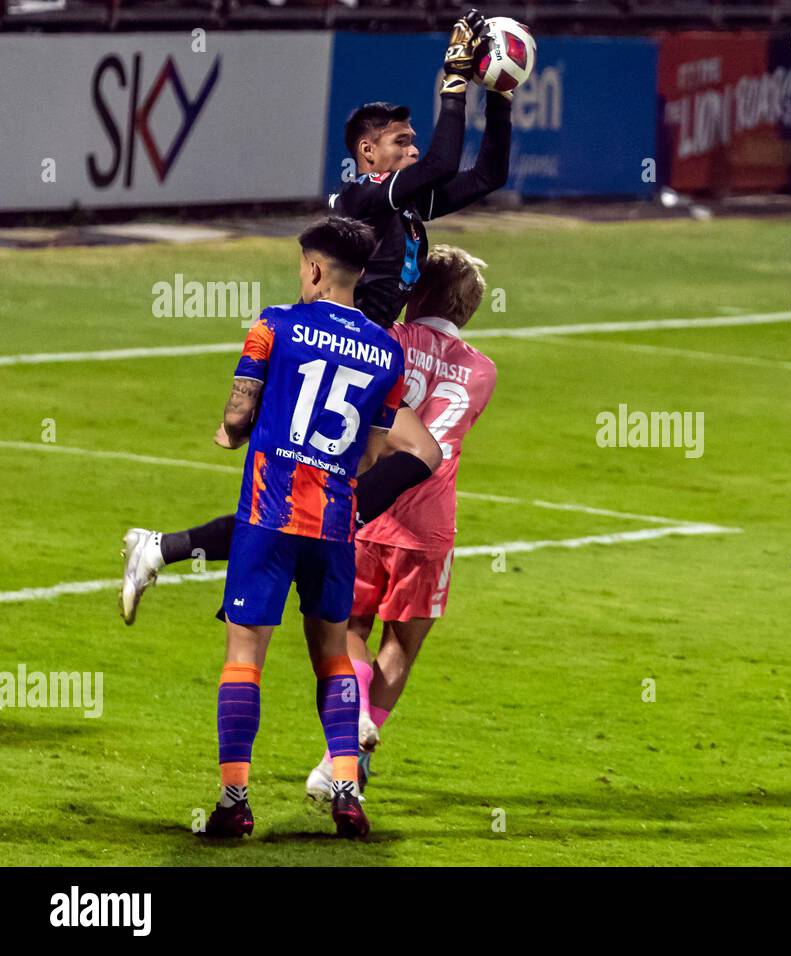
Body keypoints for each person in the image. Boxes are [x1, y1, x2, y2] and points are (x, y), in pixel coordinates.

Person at [119, 8, 515, 623]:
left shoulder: (405, 207)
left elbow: (489, 174)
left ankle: (165, 547)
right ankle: (189, 549)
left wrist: (505, 99)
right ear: (368, 152)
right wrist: (455, 84)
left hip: (360, 354)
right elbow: (441, 165)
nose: (413, 148)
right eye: (400, 141)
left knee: (311, 499)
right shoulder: (362, 199)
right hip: (328, 349)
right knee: (384, 470)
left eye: (413, 139)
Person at [201, 216, 405, 839]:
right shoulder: (388, 352)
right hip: (337, 523)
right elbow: (373, 452)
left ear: (314, 270)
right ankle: (346, 790)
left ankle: (236, 805)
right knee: (332, 656)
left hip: (269, 513)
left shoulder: (273, 323)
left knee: (244, 659)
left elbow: (238, 414)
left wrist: (233, 430)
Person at [304, 245, 497, 798]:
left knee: (350, 629)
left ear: (416, 292)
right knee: (402, 644)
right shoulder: (483, 371)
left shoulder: (388, 339)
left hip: (369, 502)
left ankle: (352, 723)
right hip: (429, 523)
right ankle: (346, 763)